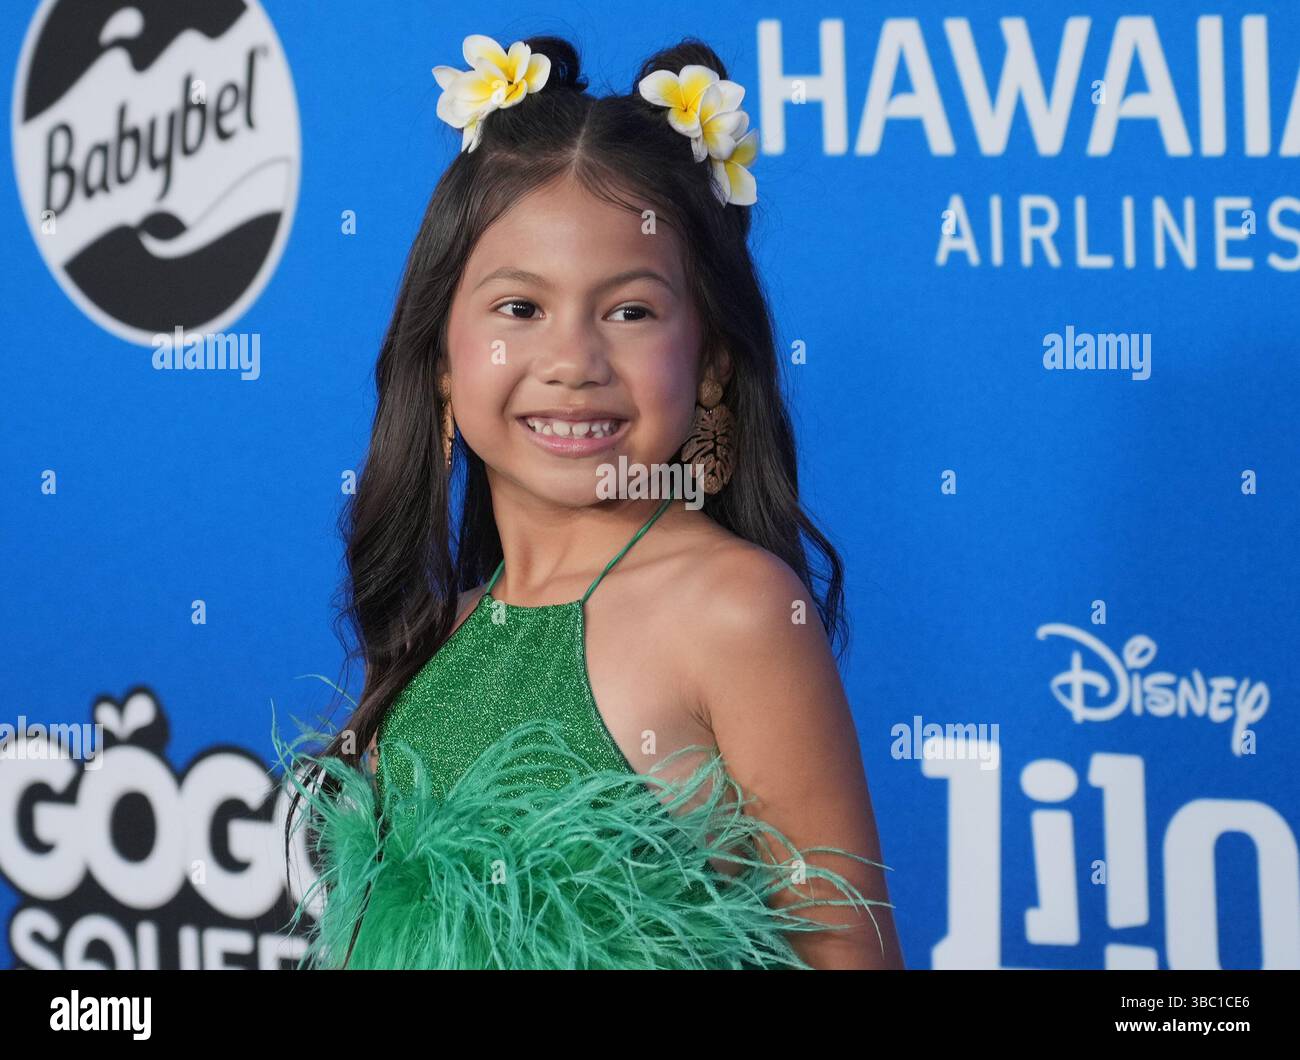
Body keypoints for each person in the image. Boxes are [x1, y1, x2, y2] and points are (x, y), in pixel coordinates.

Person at [274, 31, 904, 971]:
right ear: (442, 365)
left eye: (631, 312)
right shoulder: (441, 635)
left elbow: (847, 958)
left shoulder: (735, 610)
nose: (573, 362)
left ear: (713, 369)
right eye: (520, 309)